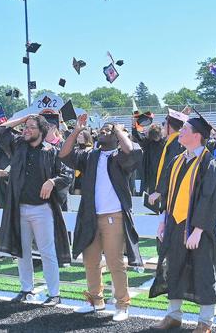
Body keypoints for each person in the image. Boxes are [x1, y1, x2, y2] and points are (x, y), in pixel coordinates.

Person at [148, 113, 216, 333]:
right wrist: (163, 219)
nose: (179, 132)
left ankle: (205, 322)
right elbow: (169, 194)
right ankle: (174, 316)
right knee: (174, 268)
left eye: (184, 129)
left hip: (198, 229)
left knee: (203, 271)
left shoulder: (210, 164)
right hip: (174, 224)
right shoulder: (178, 160)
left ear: (197, 135)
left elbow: (210, 200)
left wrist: (198, 230)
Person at [60, 116, 142, 319]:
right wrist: (76, 130)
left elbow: (131, 152)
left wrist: (118, 129)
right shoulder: (91, 155)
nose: (103, 131)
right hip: (90, 216)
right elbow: (64, 154)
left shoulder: (121, 156)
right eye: (103, 129)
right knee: (90, 261)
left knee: (115, 262)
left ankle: (122, 305)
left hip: (114, 216)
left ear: (116, 136)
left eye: (108, 130)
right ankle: (96, 301)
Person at [0, 114, 74, 307]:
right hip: (19, 208)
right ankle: (26, 289)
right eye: (25, 127)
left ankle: (54, 293)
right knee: (22, 253)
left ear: (42, 131)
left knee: (47, 252)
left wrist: (52, 181)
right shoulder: (18, 146)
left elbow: (67, 174)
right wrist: (24, 119)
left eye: (31, 127)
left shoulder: (51, 151)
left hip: (43, 210)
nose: (26, 130)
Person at [146, 110, 187, 213]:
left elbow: (169, 168)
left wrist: (159, 191)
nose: (163, 127)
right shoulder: (172, 141)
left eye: (164, 124)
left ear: (169, 126)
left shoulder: (176, 143)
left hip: (173, 192)